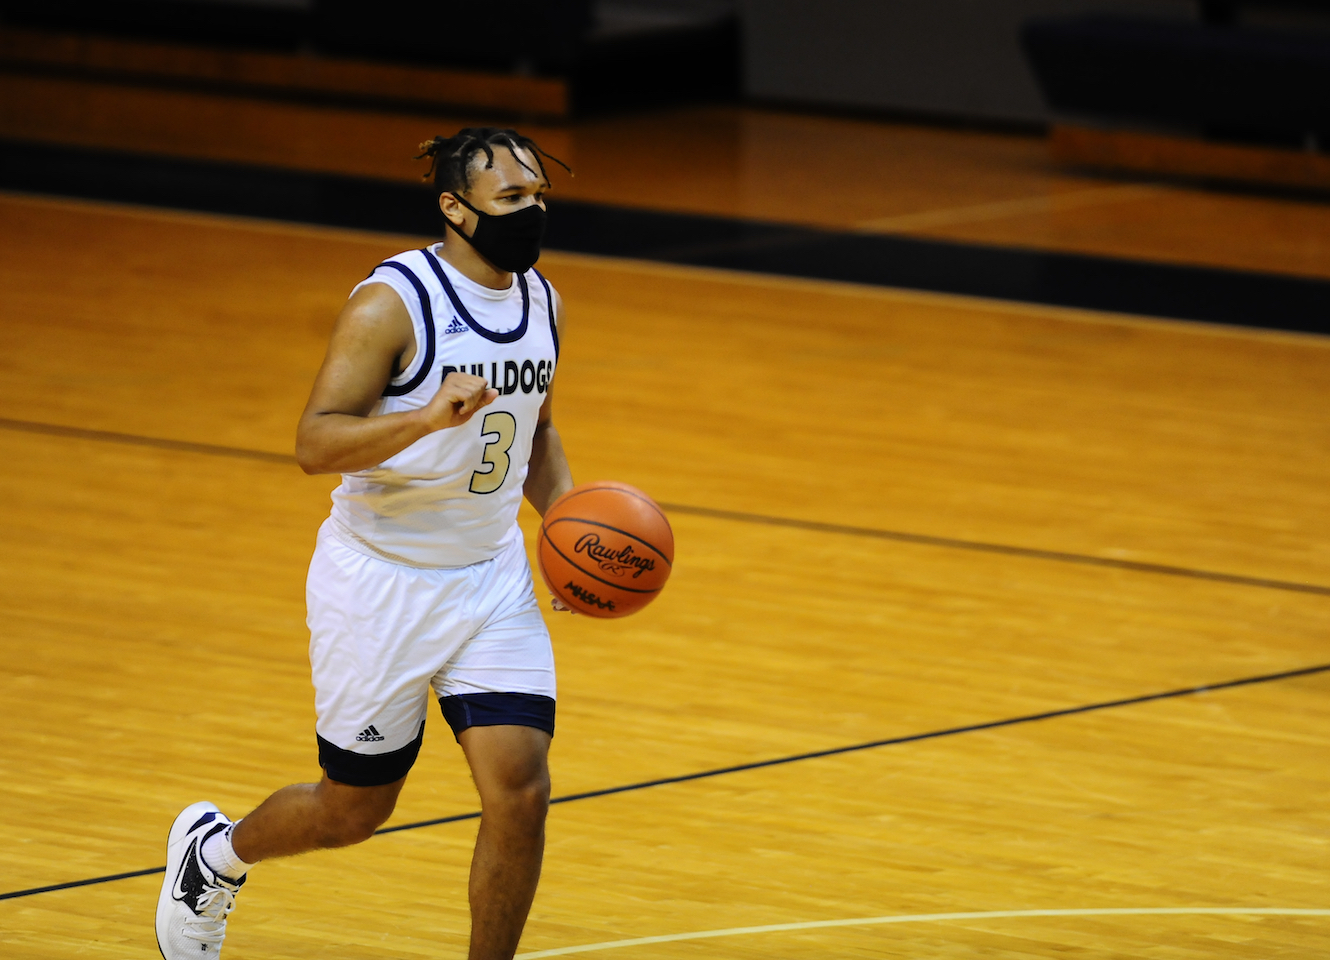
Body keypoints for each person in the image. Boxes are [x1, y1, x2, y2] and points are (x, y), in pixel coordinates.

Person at [155, 128, 575, 960]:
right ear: (454, 208)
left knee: (521, 793)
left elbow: (539, 430)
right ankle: (215, 856)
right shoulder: (393, 303)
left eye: (537, 195)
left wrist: (563, 525)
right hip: (381, 584)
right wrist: (424, 417)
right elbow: (314, 443)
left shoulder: (544, 301)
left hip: (491, 580)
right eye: (511, 198)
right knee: (351, 811)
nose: (532, 211)